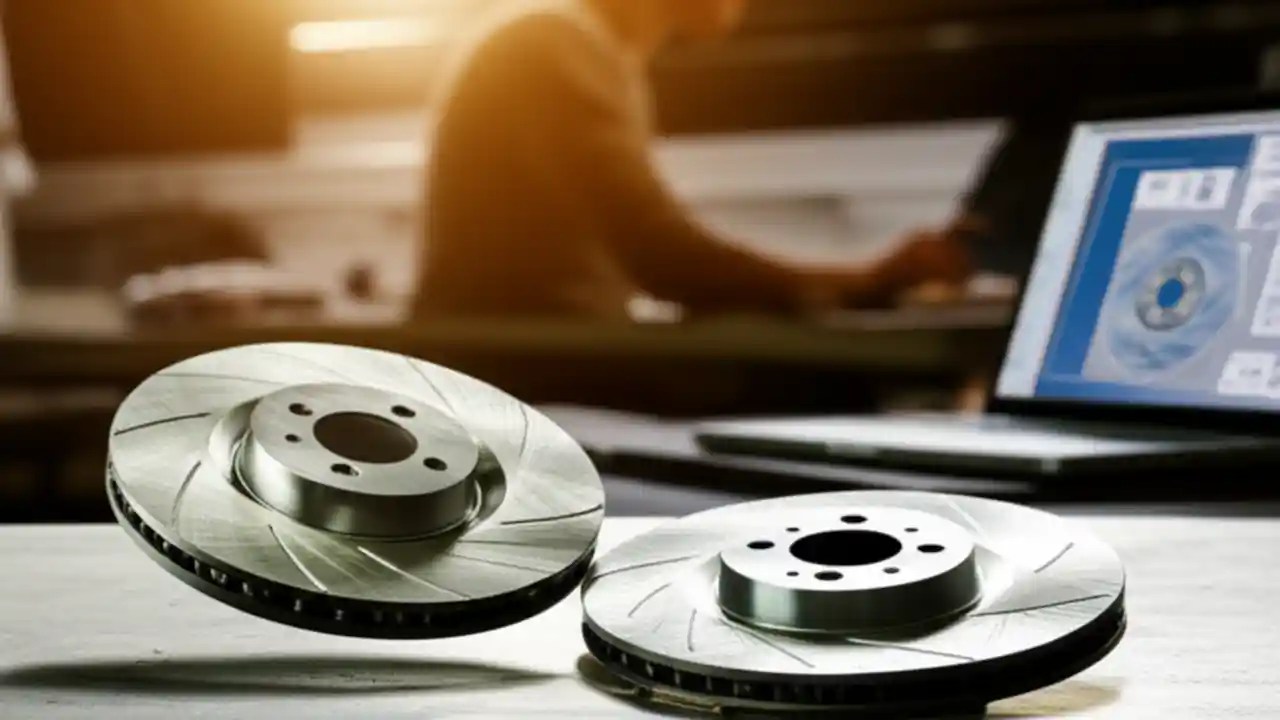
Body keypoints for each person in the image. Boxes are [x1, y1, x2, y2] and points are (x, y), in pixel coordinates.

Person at [413, 0, 970, 321]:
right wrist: (863, 279)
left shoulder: (584, 47)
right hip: (519, 371)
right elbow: (665, 257)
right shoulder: (556, 44)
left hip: (531, 356)